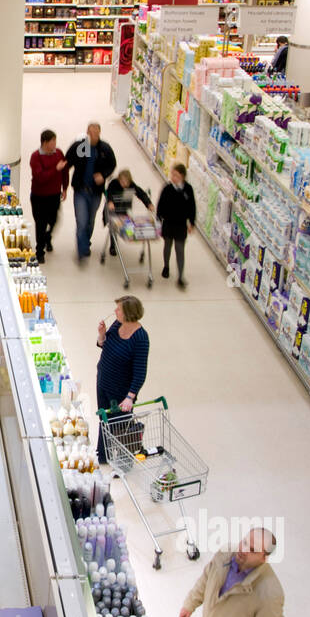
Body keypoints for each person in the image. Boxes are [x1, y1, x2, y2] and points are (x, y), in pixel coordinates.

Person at [96, 295, 149, 462]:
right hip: (103, 381)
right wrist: (101, 334)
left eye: (118, 309)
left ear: (128, 313)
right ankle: (103, 455)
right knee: (104, 420)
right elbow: (104, 344)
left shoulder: (140, 338)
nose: (115, 311)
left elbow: (140, 371)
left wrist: (130, 397)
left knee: (120, 426)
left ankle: (124, 460)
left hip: (120, 390)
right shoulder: (118, 324)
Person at [65, 122, 117, 262]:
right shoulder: (81, 146)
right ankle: (82, 250)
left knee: (90, 221)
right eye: (90, 133)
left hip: (95, 192)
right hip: (81, 190)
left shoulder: (104, 149)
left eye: (95, 133)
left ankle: (85, 241)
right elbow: (69, 159)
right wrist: (65, 166)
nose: (93, 136)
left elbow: (112, 164)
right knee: (81, 221)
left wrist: (103, 175)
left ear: (100, 133)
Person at [29, 130, 68, 264]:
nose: (55, 145)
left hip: (54, 195)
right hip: (39, 197)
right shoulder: (35, 157)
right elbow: (40, 177)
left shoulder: (59, 153)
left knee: (54, 220)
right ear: (45, 143)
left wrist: (65, 188)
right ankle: (40, 251)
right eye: (53, 142)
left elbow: (65, 171)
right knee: (40, 224)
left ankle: (48, 236)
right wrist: (55, 169)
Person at [156, 162, 196, 289]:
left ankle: (180, 276)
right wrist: (158, 218)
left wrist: (192, 222)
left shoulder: (188, 189)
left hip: (181, 225)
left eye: (176, 175)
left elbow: (192, 207)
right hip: (168, 223)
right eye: (172, 174)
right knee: (167, 246)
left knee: (180, 250)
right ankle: (166, 266)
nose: (173, 177)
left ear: (183, 176)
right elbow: (160, 204)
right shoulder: (167, 188)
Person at [103, 168, 152, 257]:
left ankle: (128, 235)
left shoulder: (132, 186)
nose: (124, 184)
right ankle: (113, 245)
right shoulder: (114, 184)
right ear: (119, 179)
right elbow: (108, 193)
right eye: (122, 182)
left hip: (124, 211)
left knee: (127, 229)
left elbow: (141, 194)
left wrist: (148, 204)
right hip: (112, 210)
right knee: (113, 226)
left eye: (126, 182)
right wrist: (110, 202)